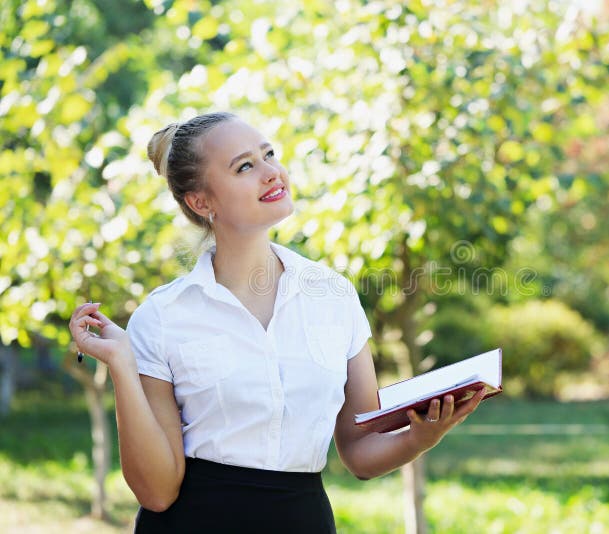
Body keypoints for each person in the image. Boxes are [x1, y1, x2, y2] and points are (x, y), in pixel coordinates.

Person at [69, 112, 486, 533]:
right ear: (201, 201)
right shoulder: (161, 318)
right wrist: (122, 365)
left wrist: (421, 436)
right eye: (245, 166)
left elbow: (359, 450)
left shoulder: (334, 297)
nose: (272, 173)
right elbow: (157, 492)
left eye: (269, 155)